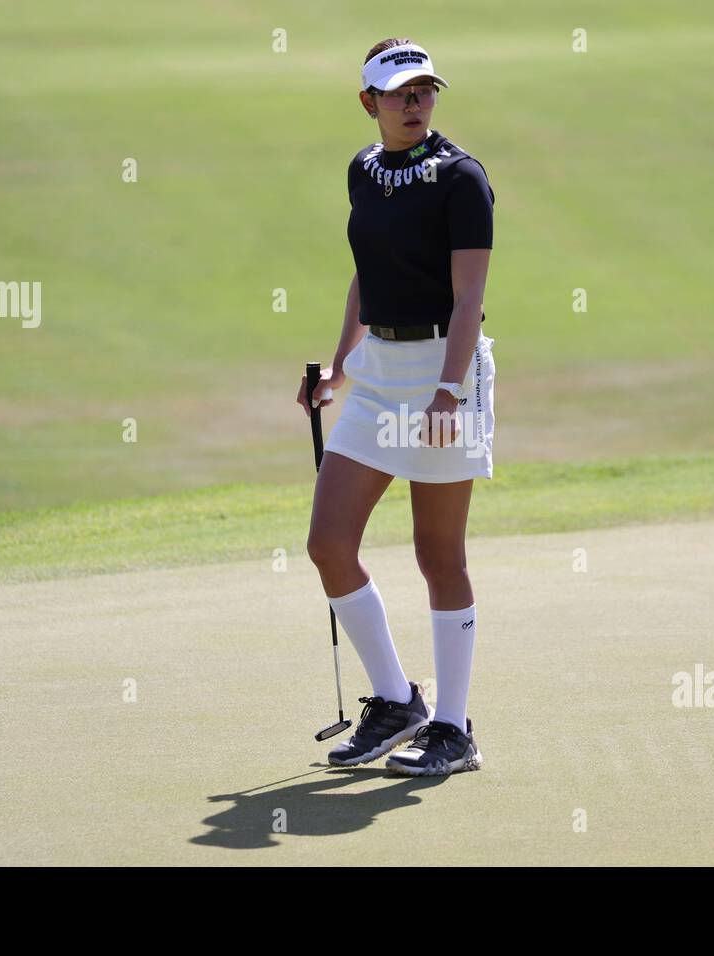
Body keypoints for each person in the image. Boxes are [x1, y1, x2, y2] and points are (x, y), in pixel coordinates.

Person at [295, 38, 496, 776]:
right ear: (369, 102)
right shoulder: (363, 170)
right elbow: (366, 273)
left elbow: (469, 297)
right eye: (400, 92)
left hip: (443, 369)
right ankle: (395, 700)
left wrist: (447, 391)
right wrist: (341, 365)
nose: (415, 103)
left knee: (438, 555)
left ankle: (453, 727)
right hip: (380, 372)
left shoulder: (462, 178)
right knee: (328, 542)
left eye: (425, 90)